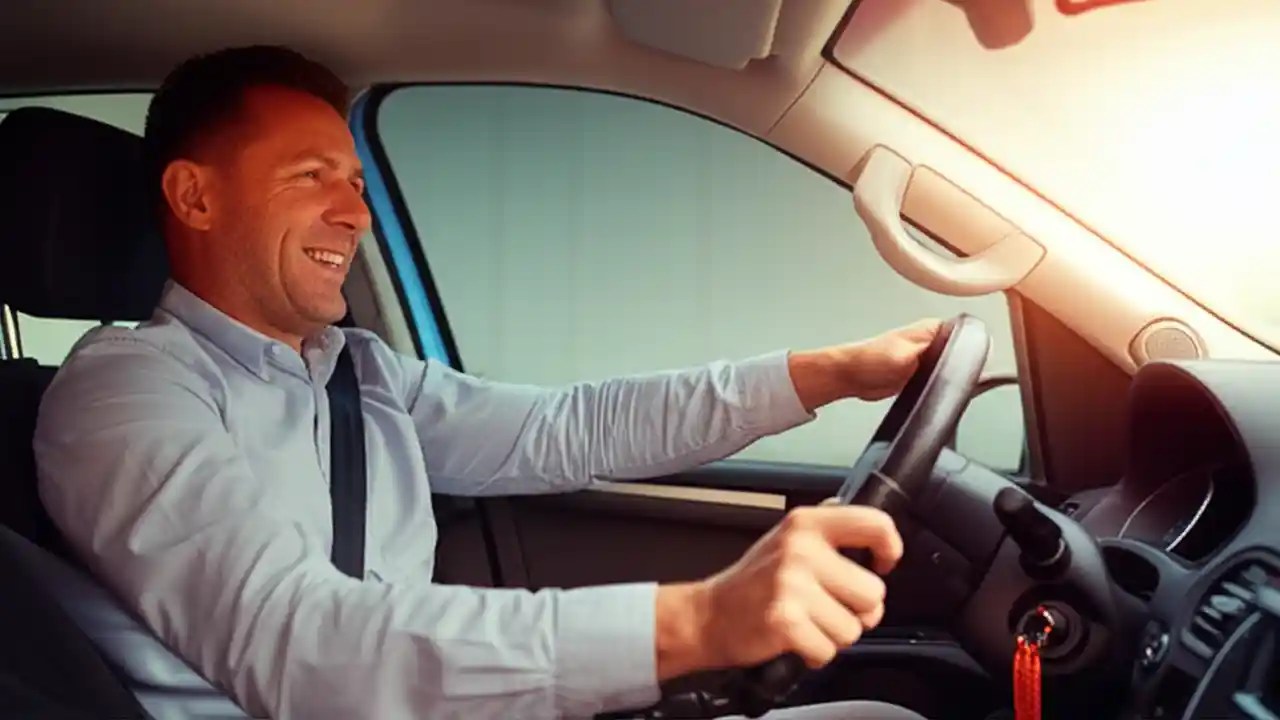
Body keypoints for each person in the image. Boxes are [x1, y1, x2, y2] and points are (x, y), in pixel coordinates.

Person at [33, 46, 936, 720]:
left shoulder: (358, 374)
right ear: (194, 198)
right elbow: (294, 642)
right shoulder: (123, 396)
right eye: (312, 179)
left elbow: (567, 430)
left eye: (354, 180)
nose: (354, 214)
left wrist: (830, 374)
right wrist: (692, 624)